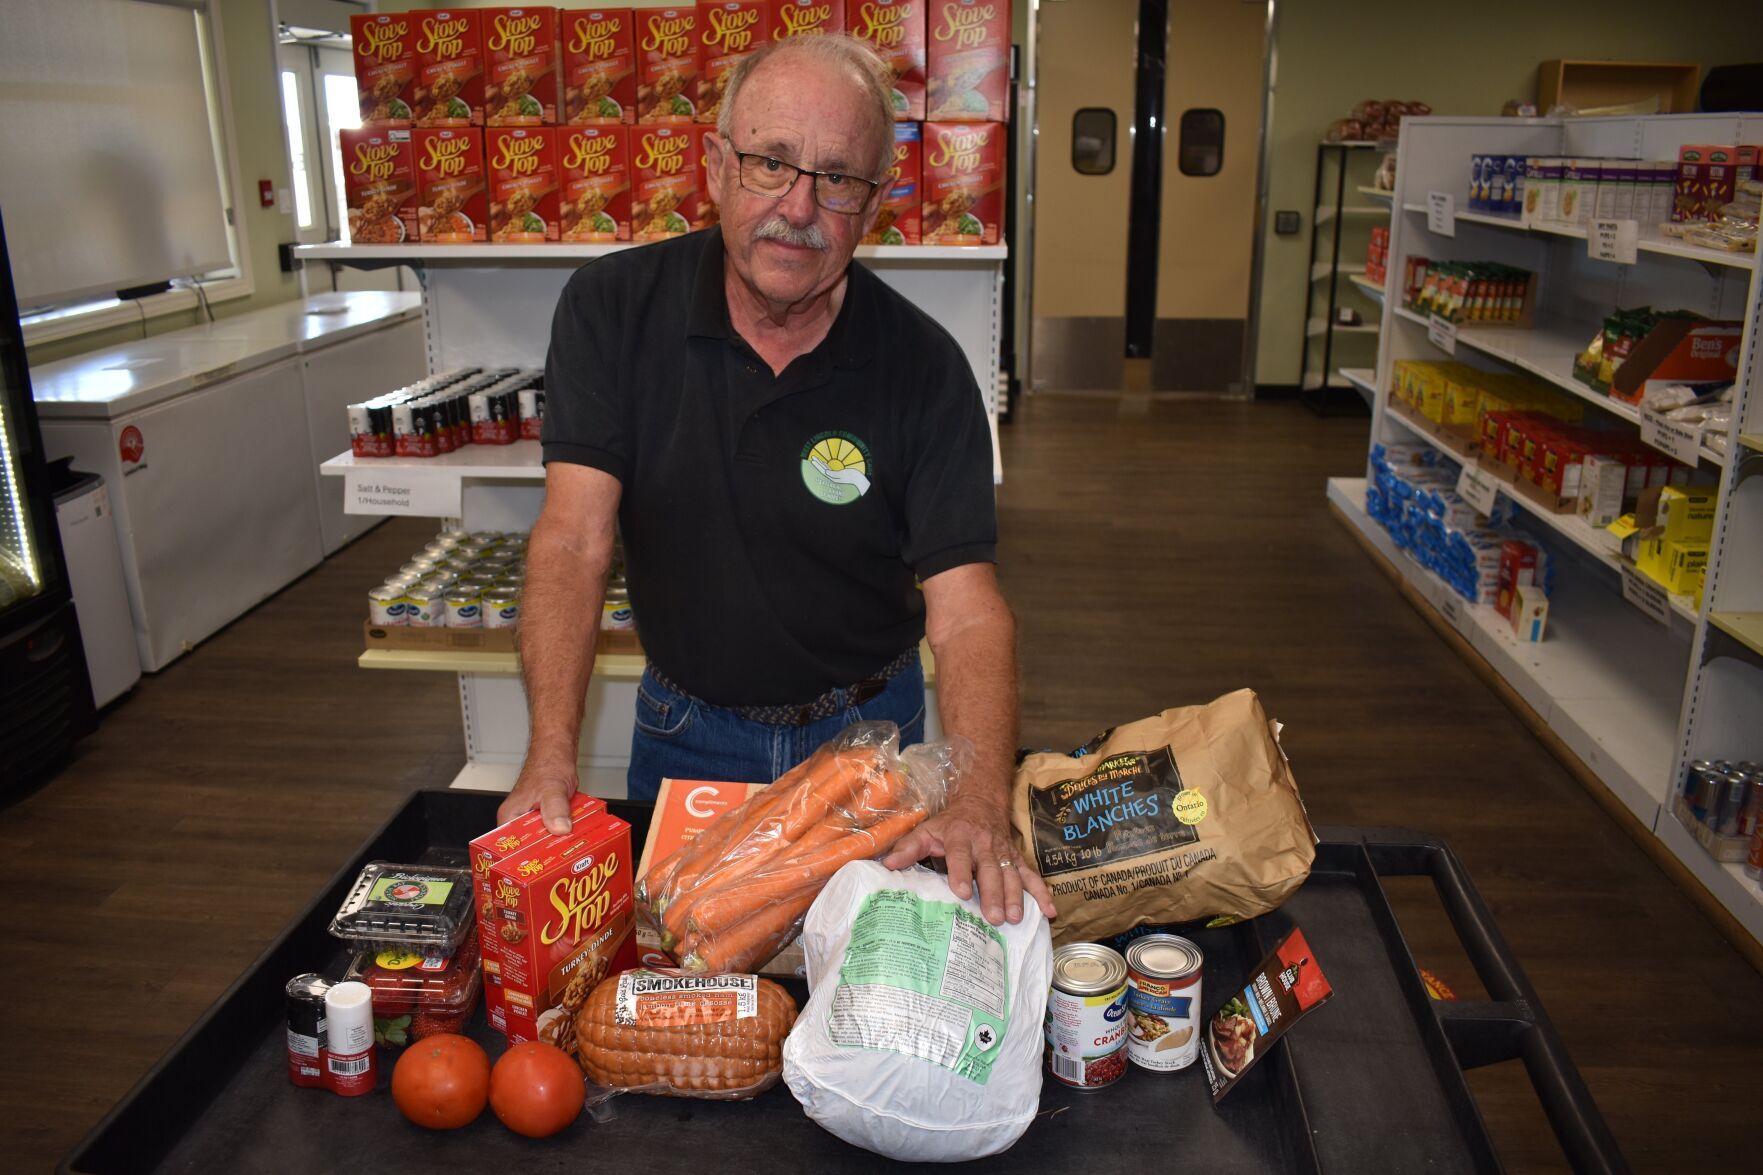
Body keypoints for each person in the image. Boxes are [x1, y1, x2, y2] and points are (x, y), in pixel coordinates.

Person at [496, 35, 1052, 928]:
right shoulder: (612, 309)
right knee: (681, 982)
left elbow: (968, 609)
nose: (798, 207)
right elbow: (573, 538)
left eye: (837, 179)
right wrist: (549, 758)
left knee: (865, 996)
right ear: (715, 166)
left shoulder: (926, 367)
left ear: (872, 203)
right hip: (689, 735)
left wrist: (982, 796)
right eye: (770, 163)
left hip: (873, 752)